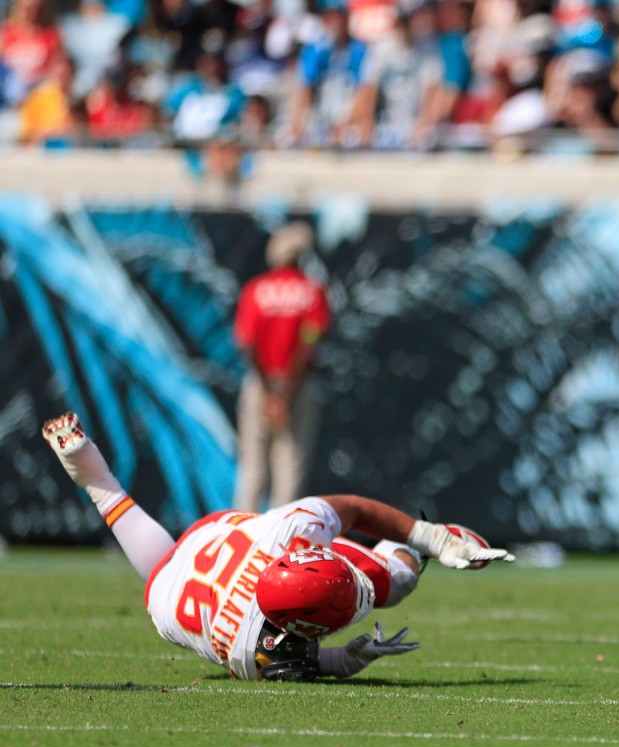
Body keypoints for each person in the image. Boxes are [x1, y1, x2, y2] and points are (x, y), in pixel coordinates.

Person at [42, 410, 515, 681]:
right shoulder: (250, 647)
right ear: (299, 625)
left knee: (382, 582)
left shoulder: (288, 533)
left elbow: (351, 507)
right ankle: (97, 481)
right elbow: (306, 662)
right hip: (187, 575)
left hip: (218, 548)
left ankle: (95, 479)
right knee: (398, 581)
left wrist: (425, 532)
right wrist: (350, 658)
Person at [233, 221, 329, 513]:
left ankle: (241, 543)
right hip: (299, 386)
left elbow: (247, 345)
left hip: (259, 384)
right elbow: (309, 341)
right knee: (290, 468)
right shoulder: (312, 292)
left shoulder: (255, 290)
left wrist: (268, 393)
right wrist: (284, 396)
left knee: (252, 468)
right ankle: (284, 546)